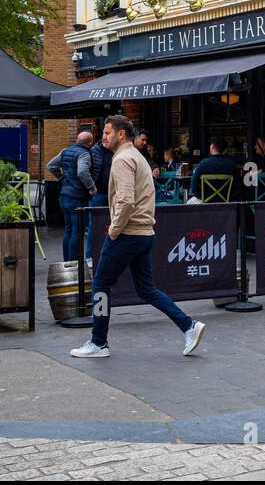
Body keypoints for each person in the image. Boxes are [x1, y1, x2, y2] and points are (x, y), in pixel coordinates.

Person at [70, 114, 205, 359]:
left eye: (108, 132)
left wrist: (113, 230)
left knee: (100, 285)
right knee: (145, 289)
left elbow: (126, 200)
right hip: (144, 234)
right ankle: (189, 326)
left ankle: (98, 342)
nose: (104, 137)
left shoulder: (122, 159)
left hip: (127, 234)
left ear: (121, 134)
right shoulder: (138, 157)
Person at [47, 130, 96, 262]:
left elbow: (50, 166)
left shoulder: (65, 151)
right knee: (77, 231)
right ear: (90, 143)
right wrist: (92, 188)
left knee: (68, 230)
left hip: (64, 195)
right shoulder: (84, 153)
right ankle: (74, 263)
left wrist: (63, 179)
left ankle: (67, 262)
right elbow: (82, 172)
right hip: (77, 197)